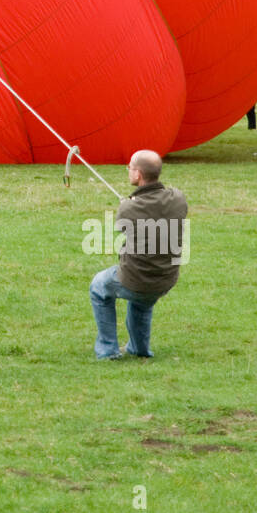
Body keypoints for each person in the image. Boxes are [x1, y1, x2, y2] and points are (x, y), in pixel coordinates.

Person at [89, 150, 188, 360]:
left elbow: (123, 226)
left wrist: (130, 202)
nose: (128, 171)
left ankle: (107, 351)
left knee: (99, 286)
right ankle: (139, 349)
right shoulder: (178, 198)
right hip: (166, 279)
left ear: (138, 174)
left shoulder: (128, 208)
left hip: (136, 279)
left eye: (130, 168)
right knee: (143, 301)